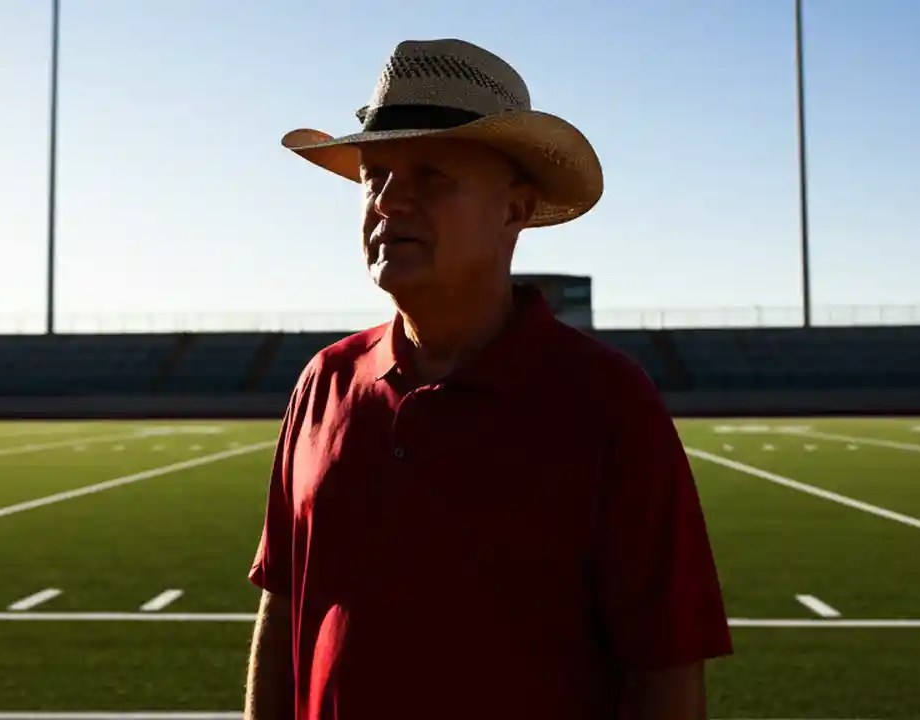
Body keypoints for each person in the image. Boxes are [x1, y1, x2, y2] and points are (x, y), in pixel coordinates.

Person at [243, 38, 732, 720]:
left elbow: (666, 670)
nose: (388, 201)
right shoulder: (325, 381)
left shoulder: (606, 403)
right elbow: (284, 608)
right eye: (374, 175)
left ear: (514, 210)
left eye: (430, 176)